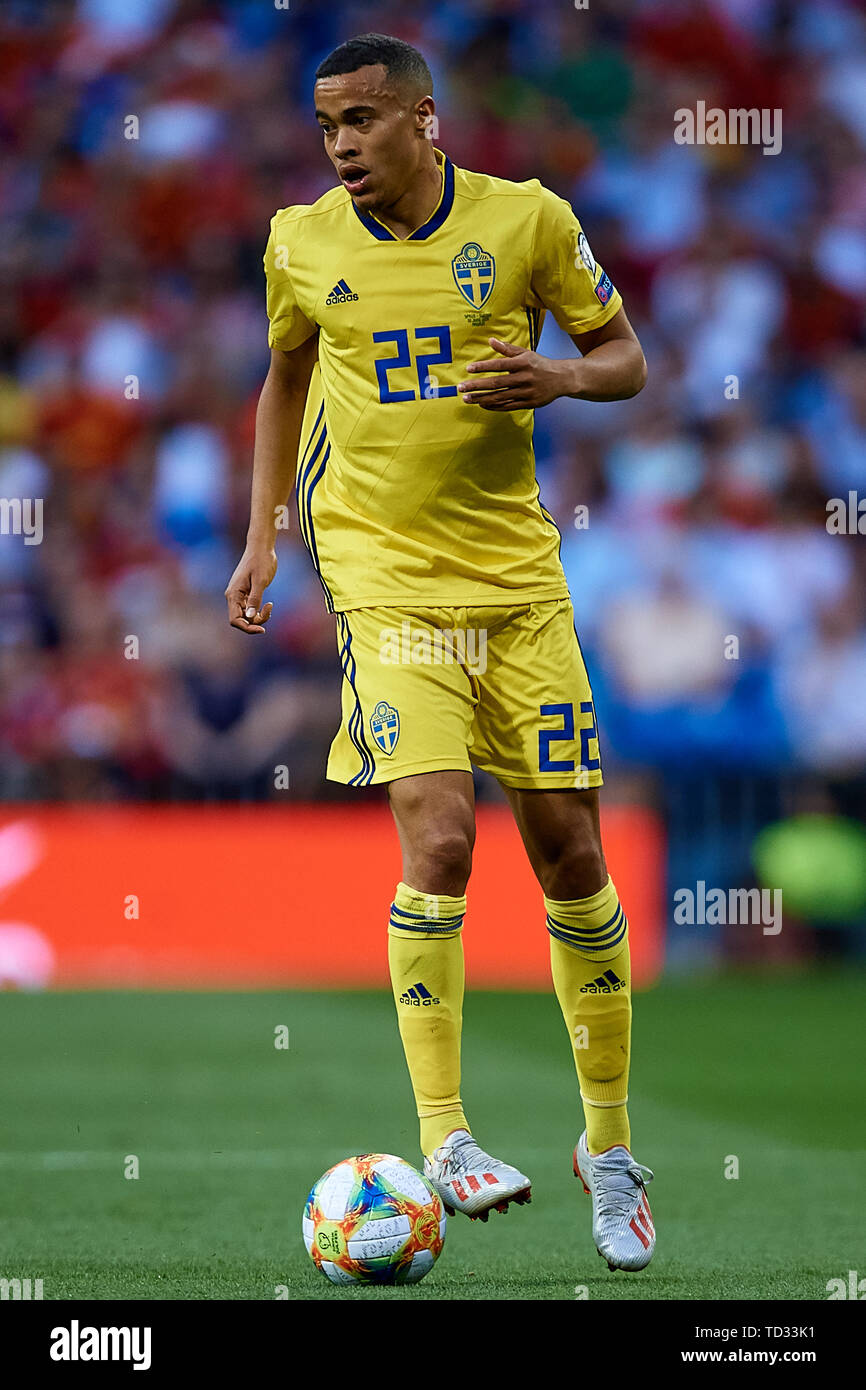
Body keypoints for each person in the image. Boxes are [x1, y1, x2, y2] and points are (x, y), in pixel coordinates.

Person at [225, 32, 654, 1271]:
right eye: (325, 126)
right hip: (383, 587)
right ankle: (448, 1136)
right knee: (440, 832)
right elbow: (282, 380)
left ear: (424, 118)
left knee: (570, 850)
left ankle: (609, 1148)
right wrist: (264, 537)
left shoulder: (525, 223)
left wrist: (558, 378)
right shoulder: (299, 242)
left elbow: (628, 359)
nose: (341, 146)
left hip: (518, 587)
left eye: (362, 121)